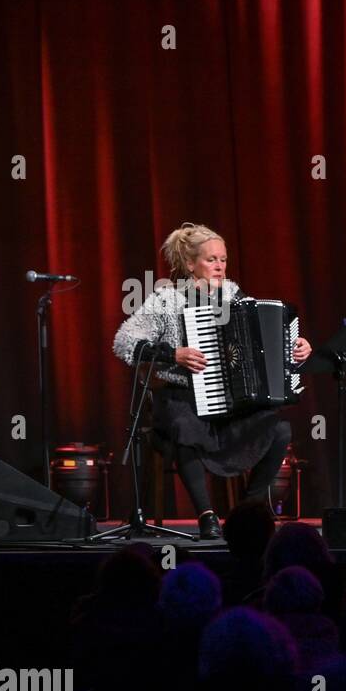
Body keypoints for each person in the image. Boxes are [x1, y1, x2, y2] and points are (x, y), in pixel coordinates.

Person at [113, 223, 312, 538]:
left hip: (228, 406)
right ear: (190, 264)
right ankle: (206, 516)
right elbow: (124, 342)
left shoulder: (233, 295)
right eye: (211, 260)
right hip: (181, 399)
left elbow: (261, 342)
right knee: (183, 424)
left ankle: (249, 510)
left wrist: (294, 347)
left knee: (279, 428)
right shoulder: (167, 298)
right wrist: (173, 354)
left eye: (223, 259)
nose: (220, 266)